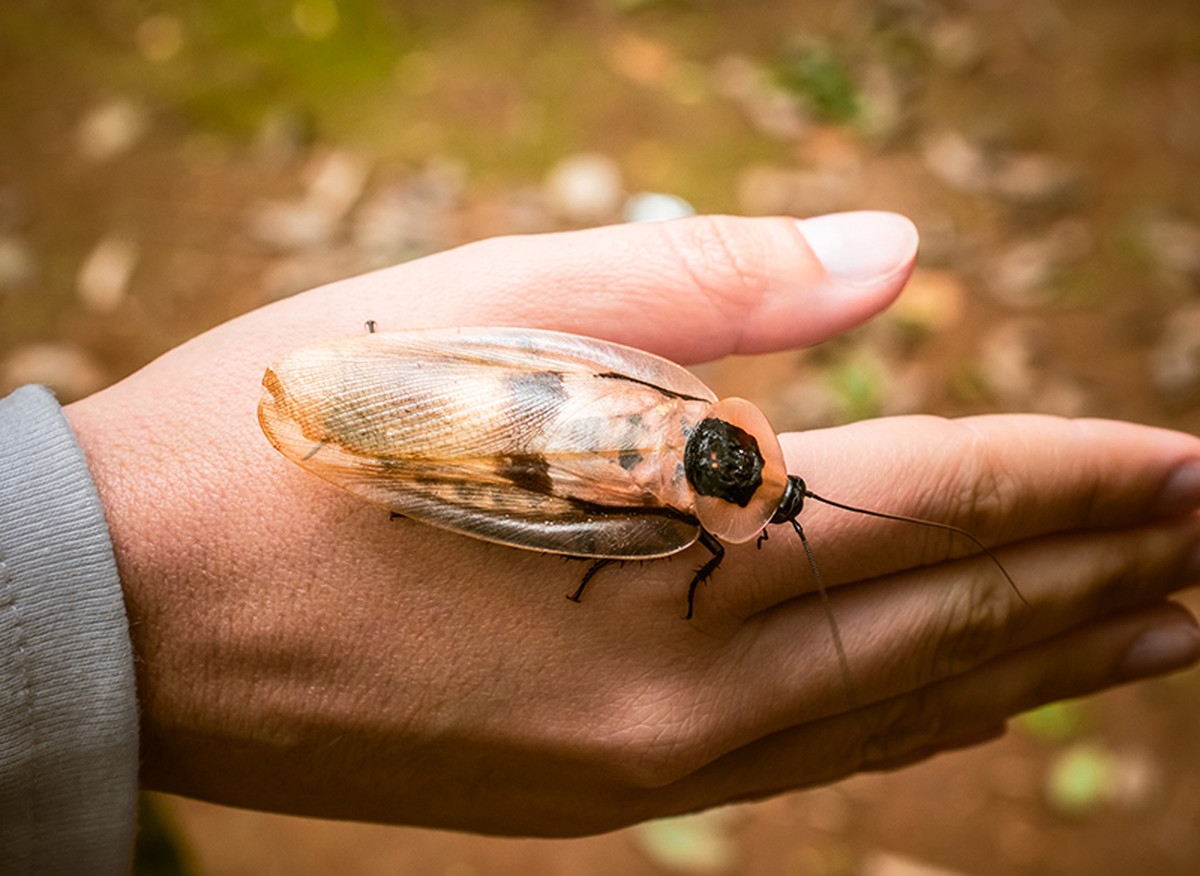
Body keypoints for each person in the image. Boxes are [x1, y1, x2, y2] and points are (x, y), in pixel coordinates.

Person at [3, 212, 1199, 874]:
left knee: (464, 446)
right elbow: (593, 540)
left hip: (544, 424)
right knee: (441, 464)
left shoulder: (695, 414)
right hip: (525, 455)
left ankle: (348, 426)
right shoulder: (684, 532)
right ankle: (348, 426)